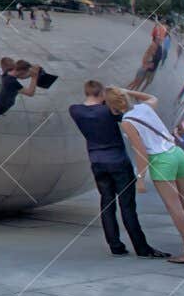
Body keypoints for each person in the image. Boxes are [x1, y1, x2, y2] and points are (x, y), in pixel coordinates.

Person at [69, 81, 166, 258]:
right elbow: (138, 106)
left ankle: (115, 245)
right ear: (102, 94)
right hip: (118, 160)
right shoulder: (109, 111)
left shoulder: (75, 110)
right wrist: (121, 93)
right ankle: (141, 247)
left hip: (97, 160)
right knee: (127, 205)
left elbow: (88, 107)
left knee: (106, 203)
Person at [113, 87, 184, 265]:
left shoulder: (127, 122)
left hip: (161, 159)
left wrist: (140, 178)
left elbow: (141, 151)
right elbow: (151, 96)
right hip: (177, 153)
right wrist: (127, 90)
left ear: (113, 107)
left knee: (175, 208)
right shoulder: (144, 108)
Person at [0, 59, 41, 128]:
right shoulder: (12, 82)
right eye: (26, 72)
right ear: (22, 71)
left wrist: (31, 69)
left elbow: (22, 76)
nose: (26, 73)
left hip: (2, 98)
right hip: (4, 102)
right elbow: (30, 93)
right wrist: (34, 77)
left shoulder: (8, 71)